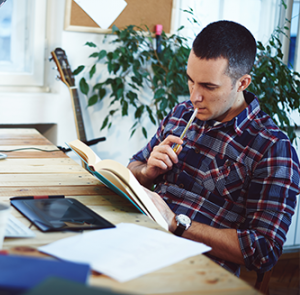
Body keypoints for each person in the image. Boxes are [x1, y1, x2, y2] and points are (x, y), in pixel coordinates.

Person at [128, 20, 300, 276]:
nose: (194, 97)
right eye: (191, 81)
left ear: (242, 83)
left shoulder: (273, 148)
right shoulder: (181, 114)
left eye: (208, 87)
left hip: (197, 267)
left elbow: (264, 251)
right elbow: (134, 167)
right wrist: (146, 173)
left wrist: (176, 223)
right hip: (139, 238)